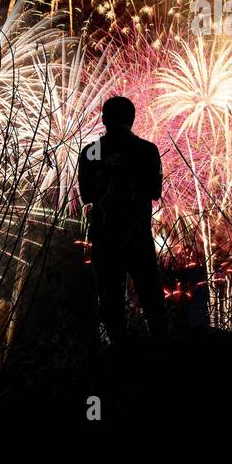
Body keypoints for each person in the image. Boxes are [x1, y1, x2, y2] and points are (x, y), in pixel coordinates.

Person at [78, 96, 167, 343]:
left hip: (105, 236)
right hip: (138, 235)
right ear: (132, 119)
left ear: (104, 119)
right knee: (151, 298)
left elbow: (87, 195)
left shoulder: (91, 152)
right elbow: (154, 192)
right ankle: (161, 352)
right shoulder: (147, 150)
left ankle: (116, 355)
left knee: (109, 299)